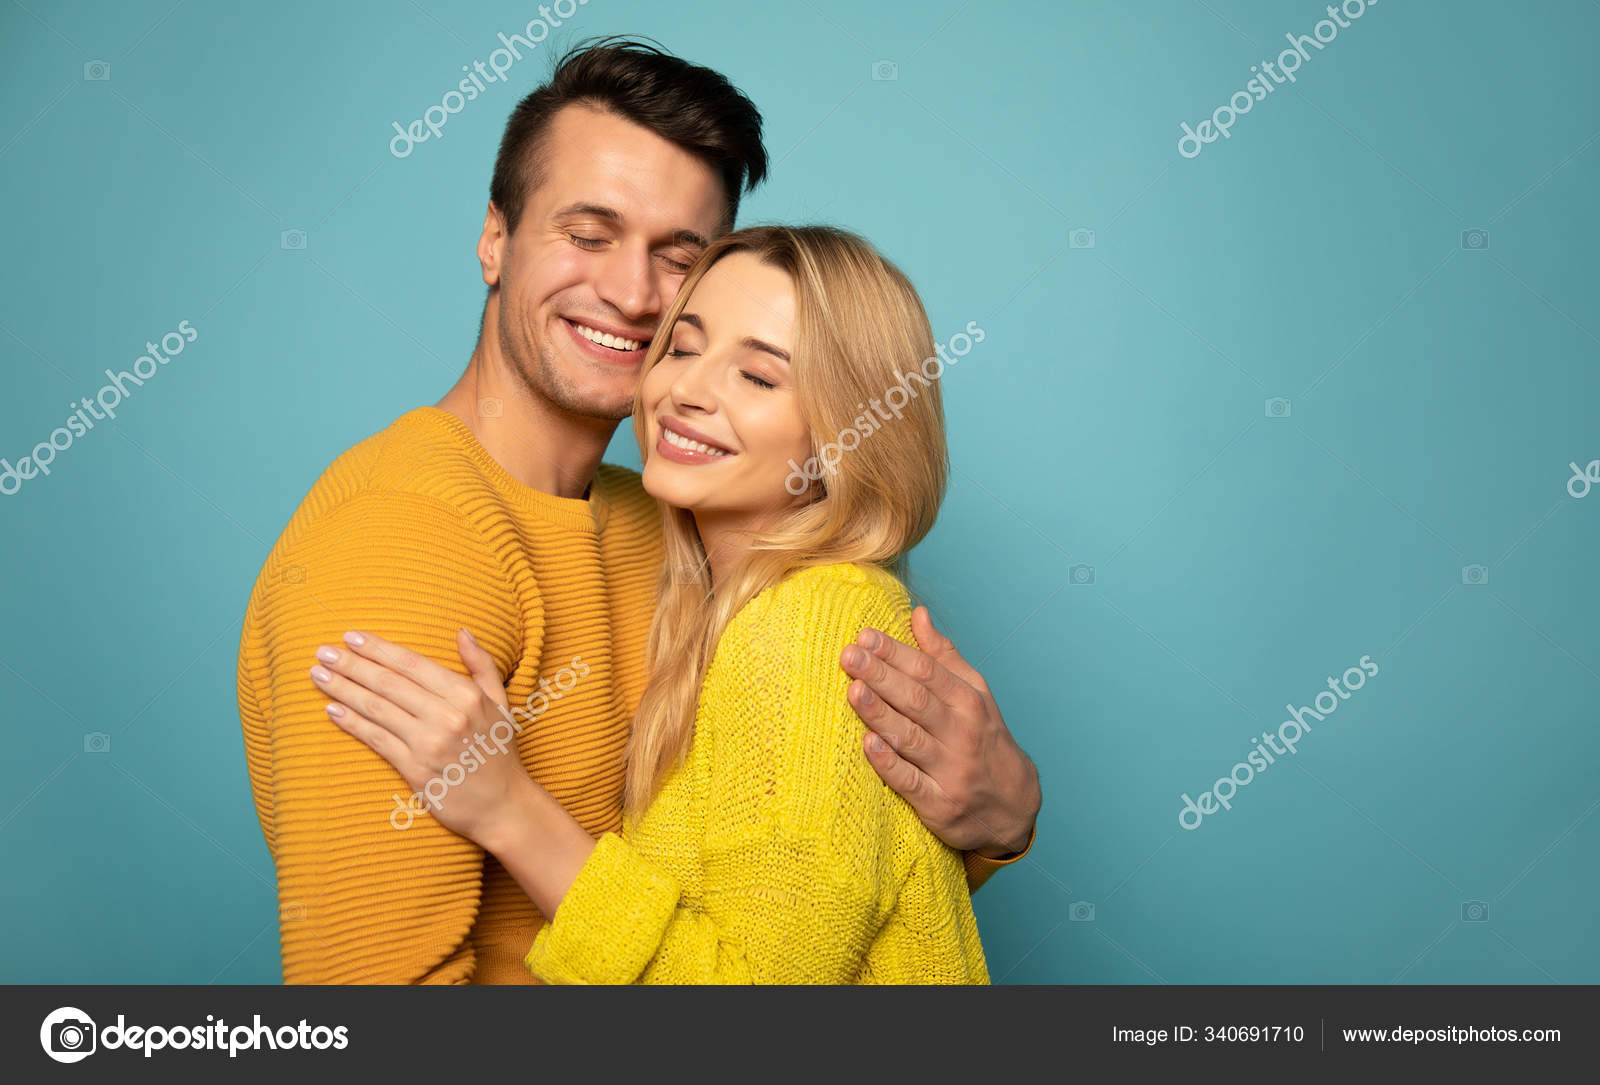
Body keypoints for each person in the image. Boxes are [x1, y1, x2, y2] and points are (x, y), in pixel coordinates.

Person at [237, 38, 1038, 985]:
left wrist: (997, 816)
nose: (628, 292)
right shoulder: (403, 539)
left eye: (676, 257)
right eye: (588, 234)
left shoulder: (682, 532)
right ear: (495, 237)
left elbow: (793, 901)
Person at [311, 225, 989, 983]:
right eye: (683, 347)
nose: (688, 391)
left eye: (759, 378)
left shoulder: (809, 624)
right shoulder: (713, 605)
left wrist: (508, 808)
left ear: (843, 438)